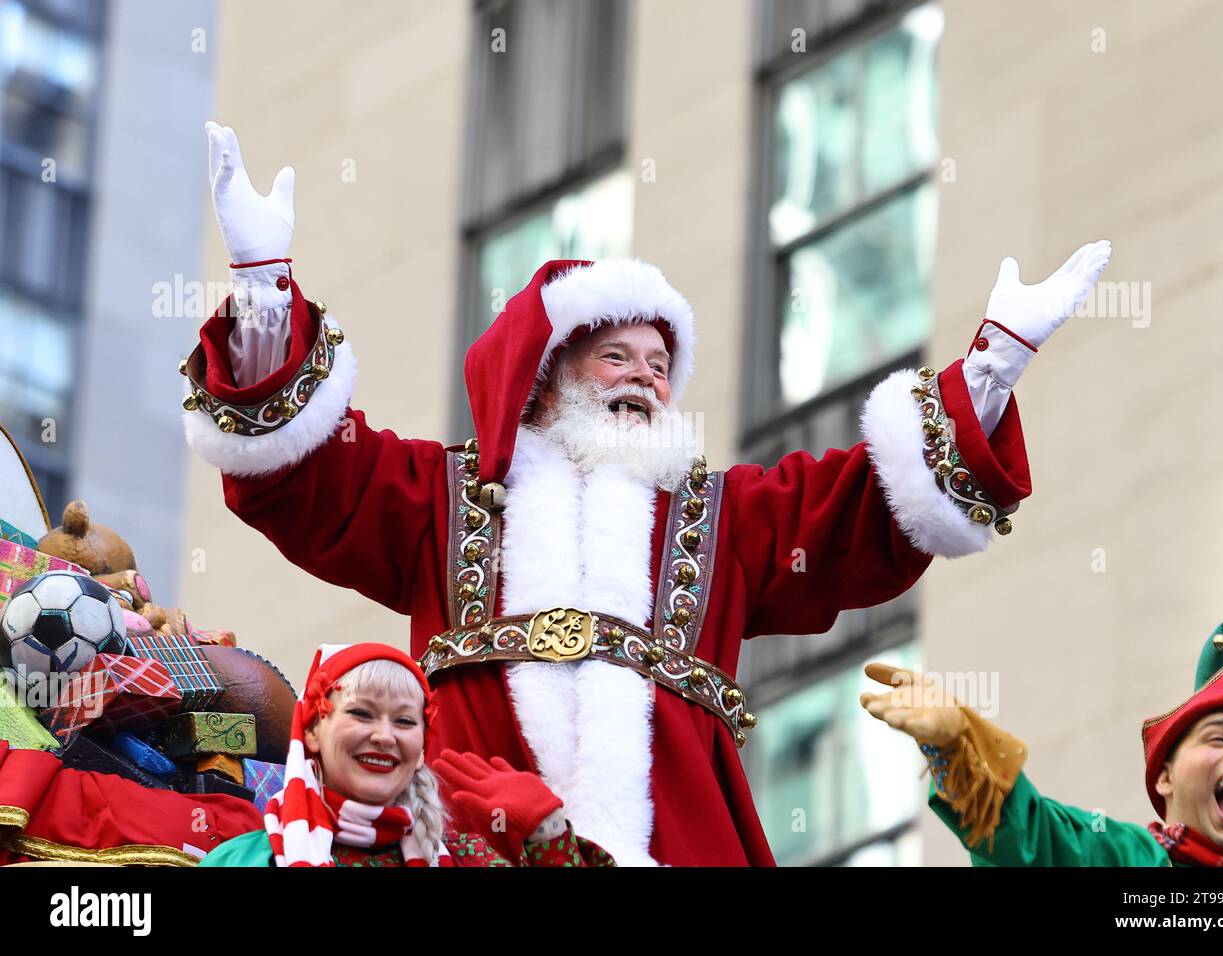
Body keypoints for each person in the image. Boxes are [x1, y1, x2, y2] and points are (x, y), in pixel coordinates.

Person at [181, 121, 1109, 865]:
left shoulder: (723, 516)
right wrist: (266, 288)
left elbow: (864, 509)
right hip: (477, 835)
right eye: (615, 357)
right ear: (546, 377)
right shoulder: (444, 494)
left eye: (661, 366)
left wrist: (991, 367)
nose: (643, 381)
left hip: (679, 837)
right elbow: (304, 478)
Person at [860, 623, 1223, 866]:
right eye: (1218, 738)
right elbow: (1033, 841)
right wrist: (957, 753)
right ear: (1165, 777)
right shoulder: (1124, 859)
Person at [200, 642, 612, 866]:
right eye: (362, 713)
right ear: (311, 729)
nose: (384, 736)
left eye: (404, 722)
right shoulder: (244, 860)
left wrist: (549, 832)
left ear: (420, 749)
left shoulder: (466, 859)